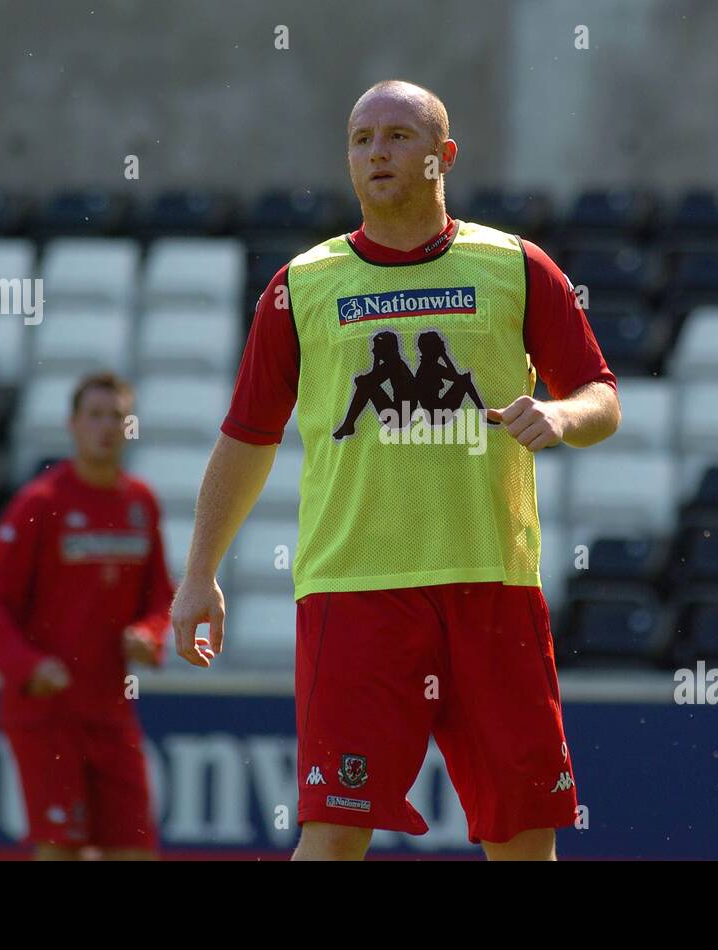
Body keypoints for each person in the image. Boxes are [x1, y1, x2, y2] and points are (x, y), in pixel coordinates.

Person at [171, 79, 620, 861]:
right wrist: (199, 571)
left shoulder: (515, 265)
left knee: (522, 835)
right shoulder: (300, 286)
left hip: (493, 586)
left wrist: (560, 416)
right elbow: (247, 436)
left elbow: (601, 396)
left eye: (398, 136)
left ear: (443, 157)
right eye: (361, 138)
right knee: (335, 831)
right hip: (354, 592)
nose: (377, 151)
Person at [0, 371, 174, 860]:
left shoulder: (140, 503)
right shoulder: (41, 503)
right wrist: (27, 665)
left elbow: (160, 598)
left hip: (110, 711)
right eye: (95, 416)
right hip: (47, 712)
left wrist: (149, 634)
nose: (106, 426)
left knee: (136, 848)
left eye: (117, 417)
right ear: (73, 425)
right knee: (61, 849)